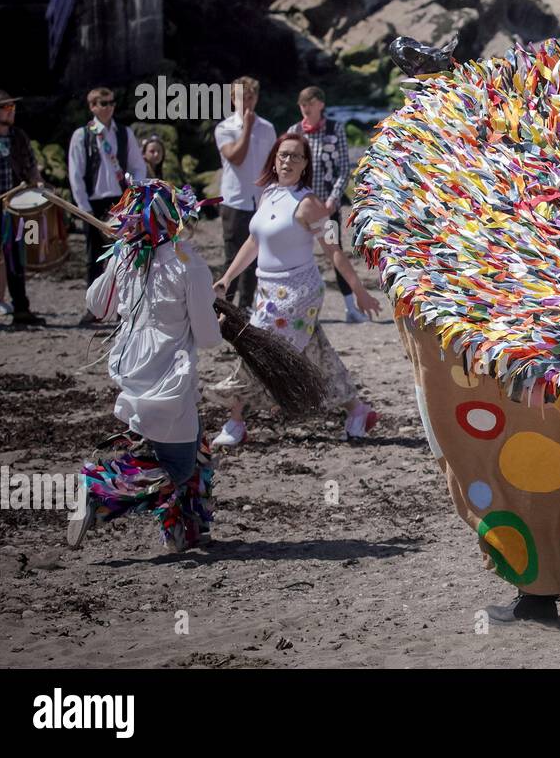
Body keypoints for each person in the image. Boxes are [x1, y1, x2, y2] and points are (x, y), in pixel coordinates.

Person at [67, 180, 224, 553]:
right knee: (178, 468)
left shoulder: (126, 259)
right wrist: (219, 321)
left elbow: (98, 307)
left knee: (197, 448)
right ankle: (99, 488)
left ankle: (187, 528)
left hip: (133, 369)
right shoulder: (189, 264)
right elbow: (206, 337)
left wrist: (118, 255)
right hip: (169, 375)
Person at [207, 132, 383, 448]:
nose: (288, 161)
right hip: (267, 290)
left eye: (296, 157)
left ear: (305, 165)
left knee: (258, 348)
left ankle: (236, 420)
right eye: (283, 155)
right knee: (313, 353)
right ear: (274, 159)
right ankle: (357, 410)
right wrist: (227, 278)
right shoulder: (268, 194)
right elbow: (254, 242)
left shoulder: (310, 204)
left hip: (298, 291)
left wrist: (359, 290)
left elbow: (335, 250)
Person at [68, 86, 148, 325]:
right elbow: (76, 174)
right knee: (94, 256)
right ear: (92, 106)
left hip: (121, 202)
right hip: (93, 202)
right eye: (103, 103)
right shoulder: (82, 136)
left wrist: (135, 194)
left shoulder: (125, 133)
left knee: (127, 254)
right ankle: (94, 308)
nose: (109, 107)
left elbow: (137, 166)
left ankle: (126, 306)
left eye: (112, 102)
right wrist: (84, 208)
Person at [287, 86, 367, 323]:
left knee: (335, 254)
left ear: (320, 104)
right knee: (297, 255)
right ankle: (295, 306)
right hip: (299, 209)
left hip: (328, 209)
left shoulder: (335, 129)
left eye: (309, 103)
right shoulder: (294, 131)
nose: (306, 108)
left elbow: (344, 169)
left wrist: (334, 198)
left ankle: (350, 307)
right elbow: (288, 169)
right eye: (302, 104)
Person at [0, 90, 47, 328]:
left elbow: (30, 165)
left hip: (17, 208)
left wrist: (37, 182)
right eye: (6, 108)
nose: (11, 111)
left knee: (16, 257)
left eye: (13, 107)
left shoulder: (19, 137)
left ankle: (21, 308)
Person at [214, 77, 276, 310]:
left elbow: (273, 166)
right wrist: (247, 128)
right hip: (234, 200)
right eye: (242, 98)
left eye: (251, 97)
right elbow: (236, 158)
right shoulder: (224, 128)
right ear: (233, 100)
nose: (247, 103)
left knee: (256, 259)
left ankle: (247, 308)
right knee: (233, 259)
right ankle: (226, 310)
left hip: (261, 200)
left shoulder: (268, 128)